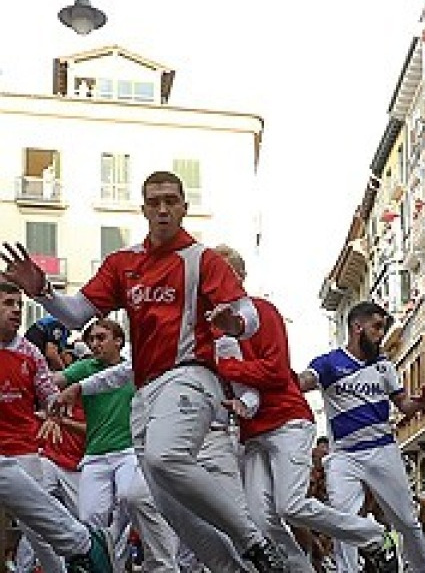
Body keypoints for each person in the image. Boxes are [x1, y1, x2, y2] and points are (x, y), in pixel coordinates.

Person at [2, 170, 289, 572]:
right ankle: (235, 567)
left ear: (184, 208)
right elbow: (75, 316)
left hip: (191, 376)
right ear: (143, 209)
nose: (162, 209)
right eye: (154, 202)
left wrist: (233, 324)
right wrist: (44, 292)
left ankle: (253, 541)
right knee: (166, 503)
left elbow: (247, 314)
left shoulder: (202, 259)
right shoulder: (123, 262)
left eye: (171, 201)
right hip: (147, 391)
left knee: (164, 458)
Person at [210, 245, 399, 573]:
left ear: (239, 277)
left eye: (221, 271)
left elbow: (275, 372)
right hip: (251, 434)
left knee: (290, 505)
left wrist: (225, 368)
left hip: (288, 423)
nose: (212, 280)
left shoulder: (263, 312)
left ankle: (373, 535)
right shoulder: (210, 327)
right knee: (259, 517)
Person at [296, 301, 425, 573]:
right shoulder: (328, 363)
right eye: (377, 327)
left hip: (383, 450)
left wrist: (420, 403)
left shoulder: (384, 366)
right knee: (343, 522)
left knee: (407, 521)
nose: (381, 334)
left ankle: (421, 570)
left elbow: (403, 405)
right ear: (357, 327)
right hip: (343, 457)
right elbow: (303, 382)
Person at [0, 283, 114, 573]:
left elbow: (50, 394)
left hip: (22, 450)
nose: (15, 310)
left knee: (36, 526)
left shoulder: (30, 354)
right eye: (7, 304)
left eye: (19, 305)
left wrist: (53, 414)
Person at [56, 318, 180, 573]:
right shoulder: (84, 368)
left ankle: (156, 563)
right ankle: (108, 565)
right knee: (90, 518)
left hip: (129, 452)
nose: (94, 344)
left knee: (130, 498)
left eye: (101, 338)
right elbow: (56, 379)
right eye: (91, 339)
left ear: (119, 341)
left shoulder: (136, 370)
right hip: (95, 455)